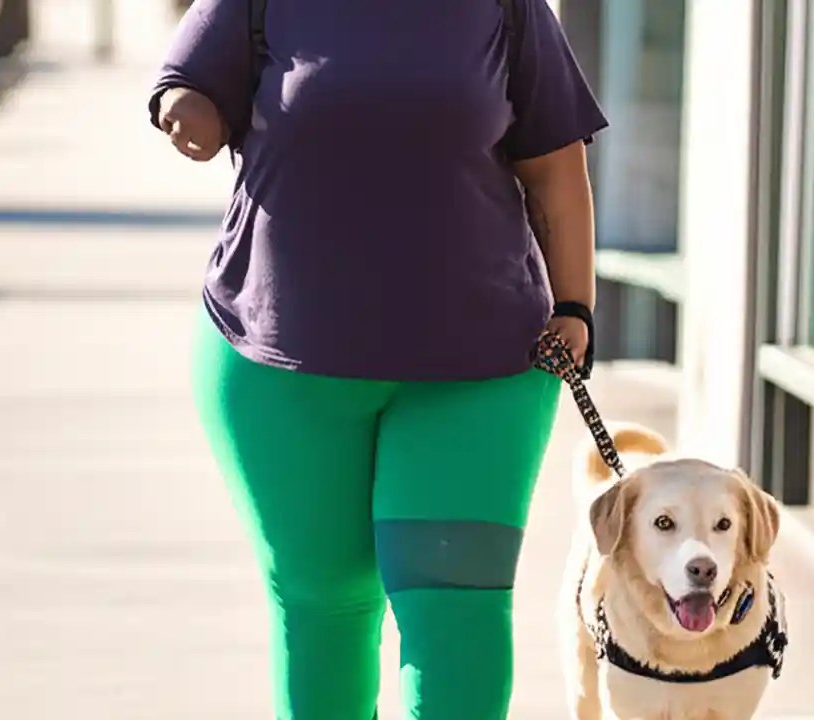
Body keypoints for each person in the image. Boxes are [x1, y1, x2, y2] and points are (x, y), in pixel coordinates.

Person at [148, 0, 606, 717]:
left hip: (478, 371)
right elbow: (186, 81)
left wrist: (574, 306)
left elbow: (555, 165)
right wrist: (189, 110)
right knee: (325, 604)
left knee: (458, 613)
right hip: (280, 361)